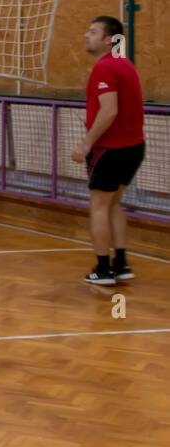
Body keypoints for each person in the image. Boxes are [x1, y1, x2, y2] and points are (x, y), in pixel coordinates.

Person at [72, 16, 145, 286]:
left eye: (93, 32)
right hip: (133, 148)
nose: (86, 35)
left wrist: (86, 142)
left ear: (108, 40)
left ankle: (103, 269)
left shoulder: (105, 68)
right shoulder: (125, 65)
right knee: (113, 204)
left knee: (100, 206)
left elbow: (110, 110)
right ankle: (121, 264)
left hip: (110, 150)